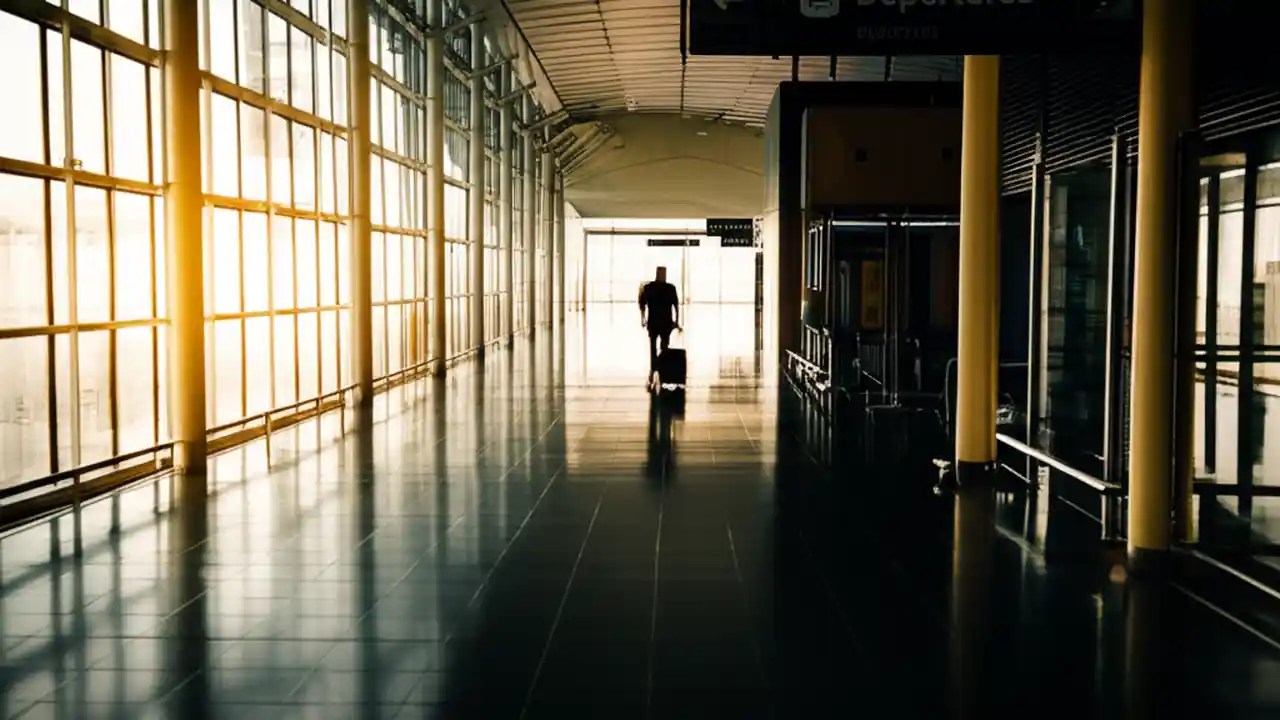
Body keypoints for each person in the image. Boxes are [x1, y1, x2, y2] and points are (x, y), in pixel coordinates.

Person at [638, 267, 680, 387]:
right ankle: (660, 367)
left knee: (654, 346)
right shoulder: (670, 288)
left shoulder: (649, 288)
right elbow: (675, 305)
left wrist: (643, 318)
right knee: (663, 346)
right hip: (664, 322)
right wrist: (676, 321)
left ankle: (654, 367)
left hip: (655, 322)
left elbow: (643, 304)